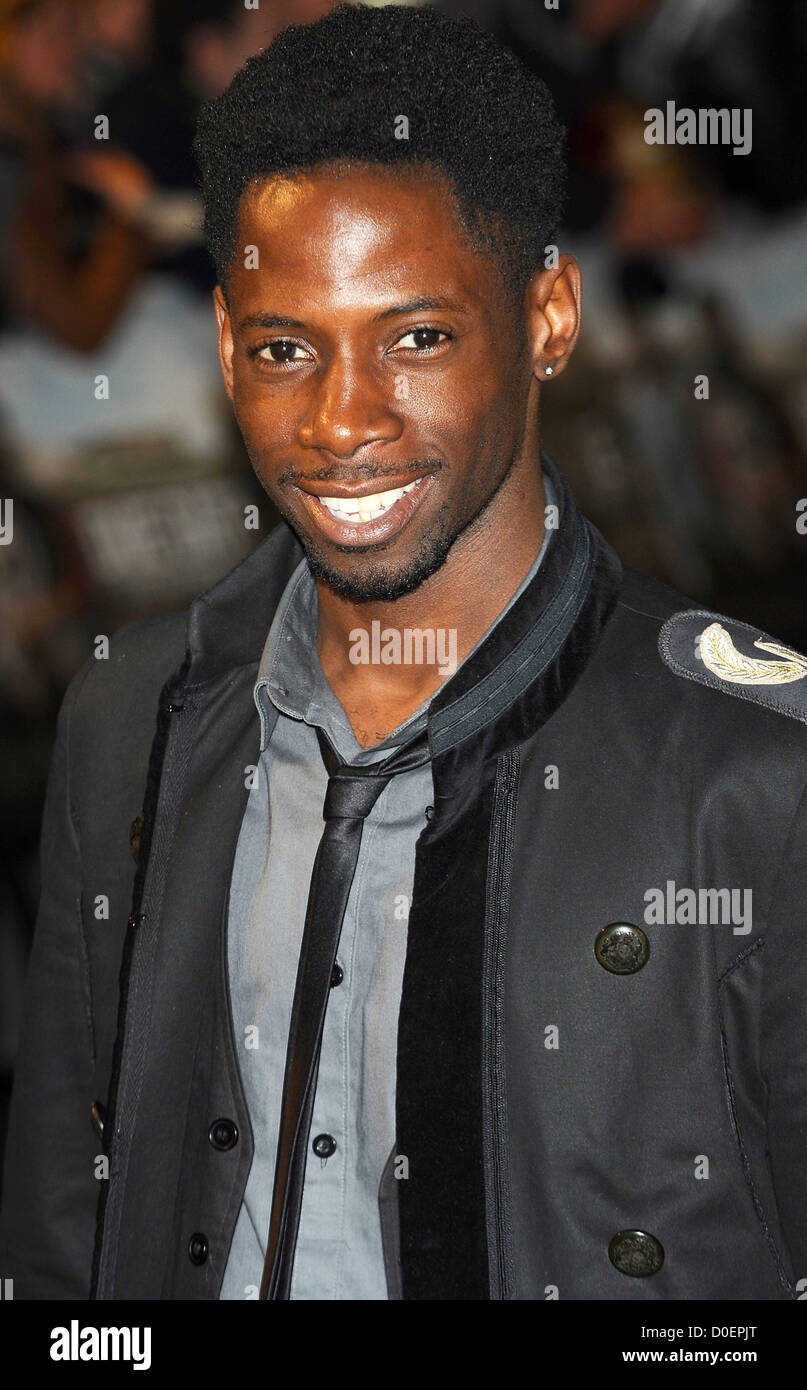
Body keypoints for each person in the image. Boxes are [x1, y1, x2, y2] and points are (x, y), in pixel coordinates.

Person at [2, 1, 806, 1302]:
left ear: (549, 315)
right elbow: (63, 1241)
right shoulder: (130, 714)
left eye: (417, 336)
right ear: (222, 346)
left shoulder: (758, 774)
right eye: (283, 348)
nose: (340, 420)